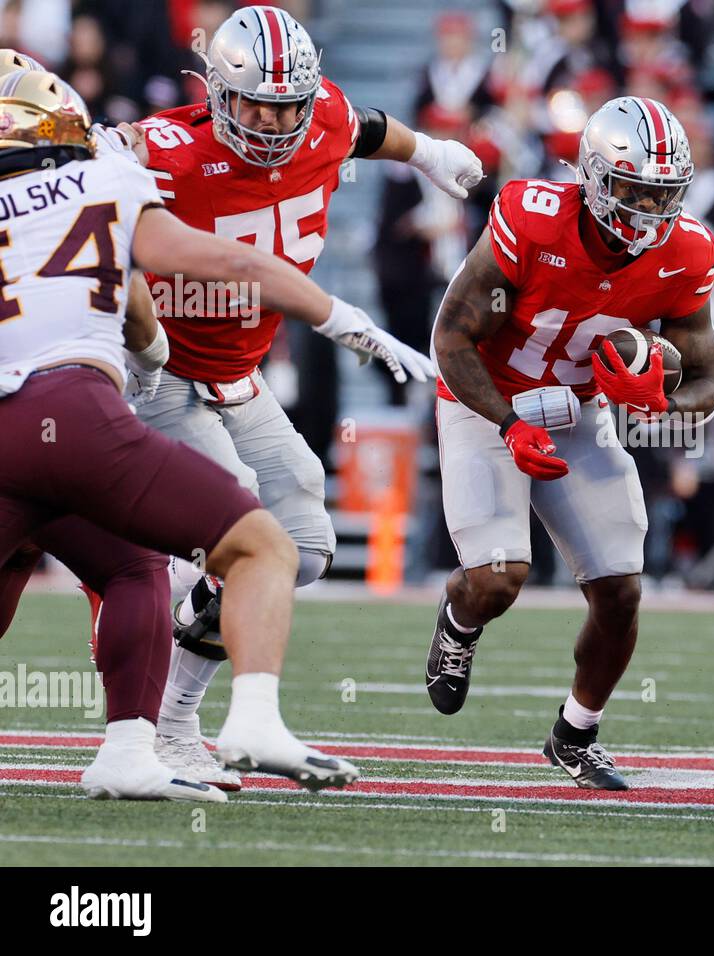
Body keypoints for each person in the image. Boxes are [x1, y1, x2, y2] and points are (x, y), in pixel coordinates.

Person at [0, 69, 415, 797]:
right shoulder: (104, 181)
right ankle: (247, 723)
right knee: (245, 547)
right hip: (71, 413)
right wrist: (339, 317)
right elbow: (225, 265)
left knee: (132, 568)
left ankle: (135, 750)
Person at [117, 6, 481, 790]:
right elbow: (87, 176)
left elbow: (368, 127)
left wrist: (430, 154)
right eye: (255, 105)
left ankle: (180, 603)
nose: (275, 122)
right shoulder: (166, 149)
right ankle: (170, 721)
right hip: (163, 374)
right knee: (242, 528)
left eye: (289, 106)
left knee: (304, 548)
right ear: (217, 93)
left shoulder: (323, 119)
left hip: (241, 378)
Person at [429, 96, 714, 789]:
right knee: (498, 580)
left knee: (620, 590)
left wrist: (661, 402)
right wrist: (508, 423)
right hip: (486, 402)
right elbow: (452, 337)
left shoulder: (686, 251)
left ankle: (575, 735)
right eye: (635, 190)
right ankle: (459, 623)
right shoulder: (532, 217)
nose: (651, 210)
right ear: (593, 177)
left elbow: (707, 377)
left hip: (579, 412)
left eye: (664, 193)